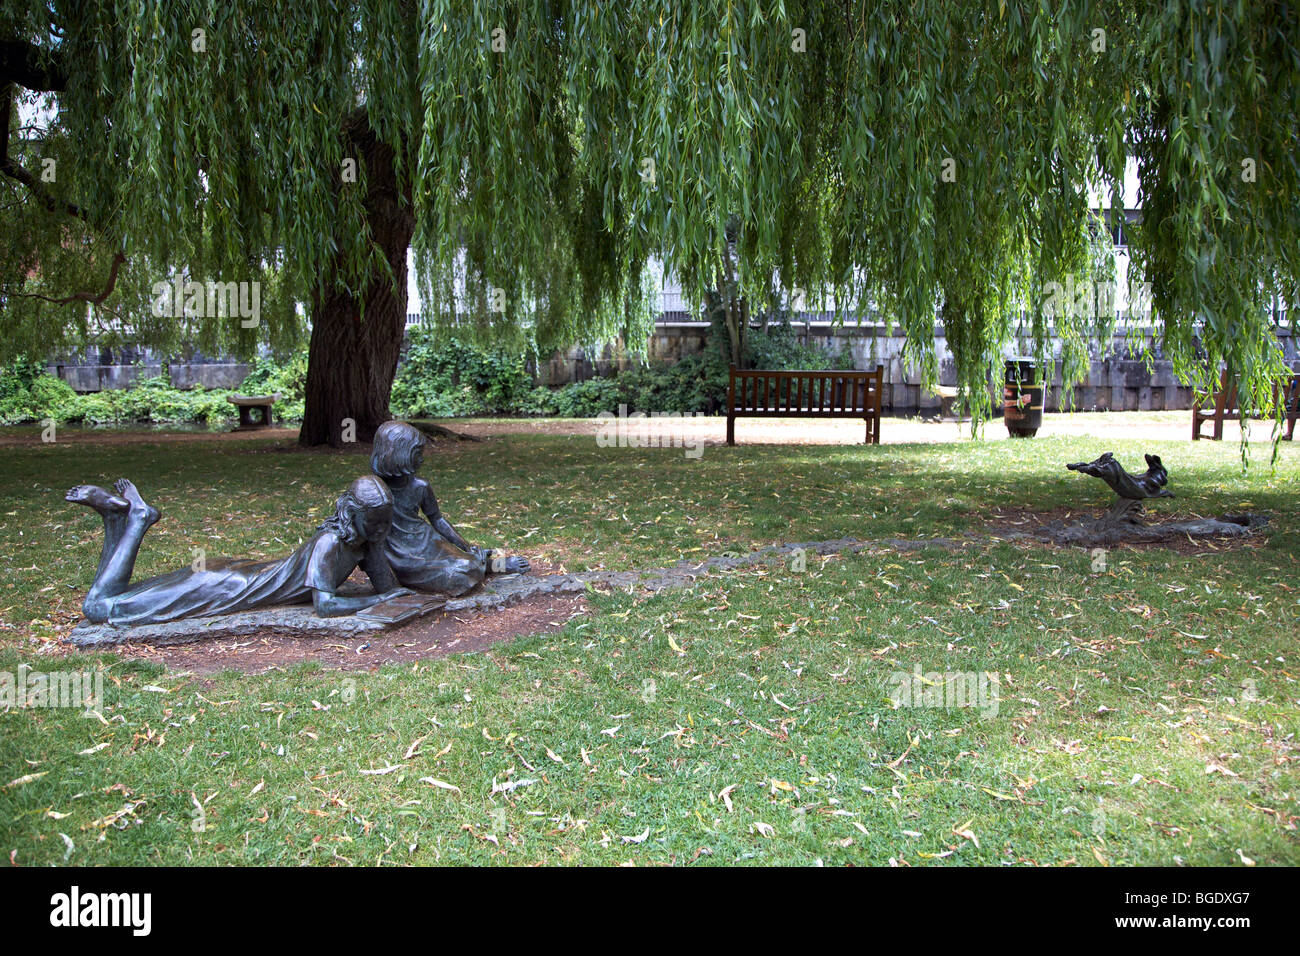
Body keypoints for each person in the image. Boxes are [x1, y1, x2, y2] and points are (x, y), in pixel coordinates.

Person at [66, 476, 410, 626]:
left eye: (384, 523)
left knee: (122, 597)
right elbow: (326, 606)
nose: (381, 530)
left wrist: (376, 547)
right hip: (225, 587)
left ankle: (117, 520)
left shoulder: (360, 540)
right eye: (374, 523)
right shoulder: (329, 543)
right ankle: (136, 520)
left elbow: (386, 587)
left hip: (239, 575)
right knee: (100, 607)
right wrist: (377, 601)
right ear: (351, 514)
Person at [369, 420, 529, 595]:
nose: (422, 459)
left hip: (426, 542)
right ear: (399, 455)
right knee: (458, 575)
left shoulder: (420, 486)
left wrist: (467, 547)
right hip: (399, 554)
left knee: (466, 563)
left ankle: (490, 565)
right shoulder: (372, 489)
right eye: (417, 454)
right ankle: (482, 566)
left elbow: (437, 520)